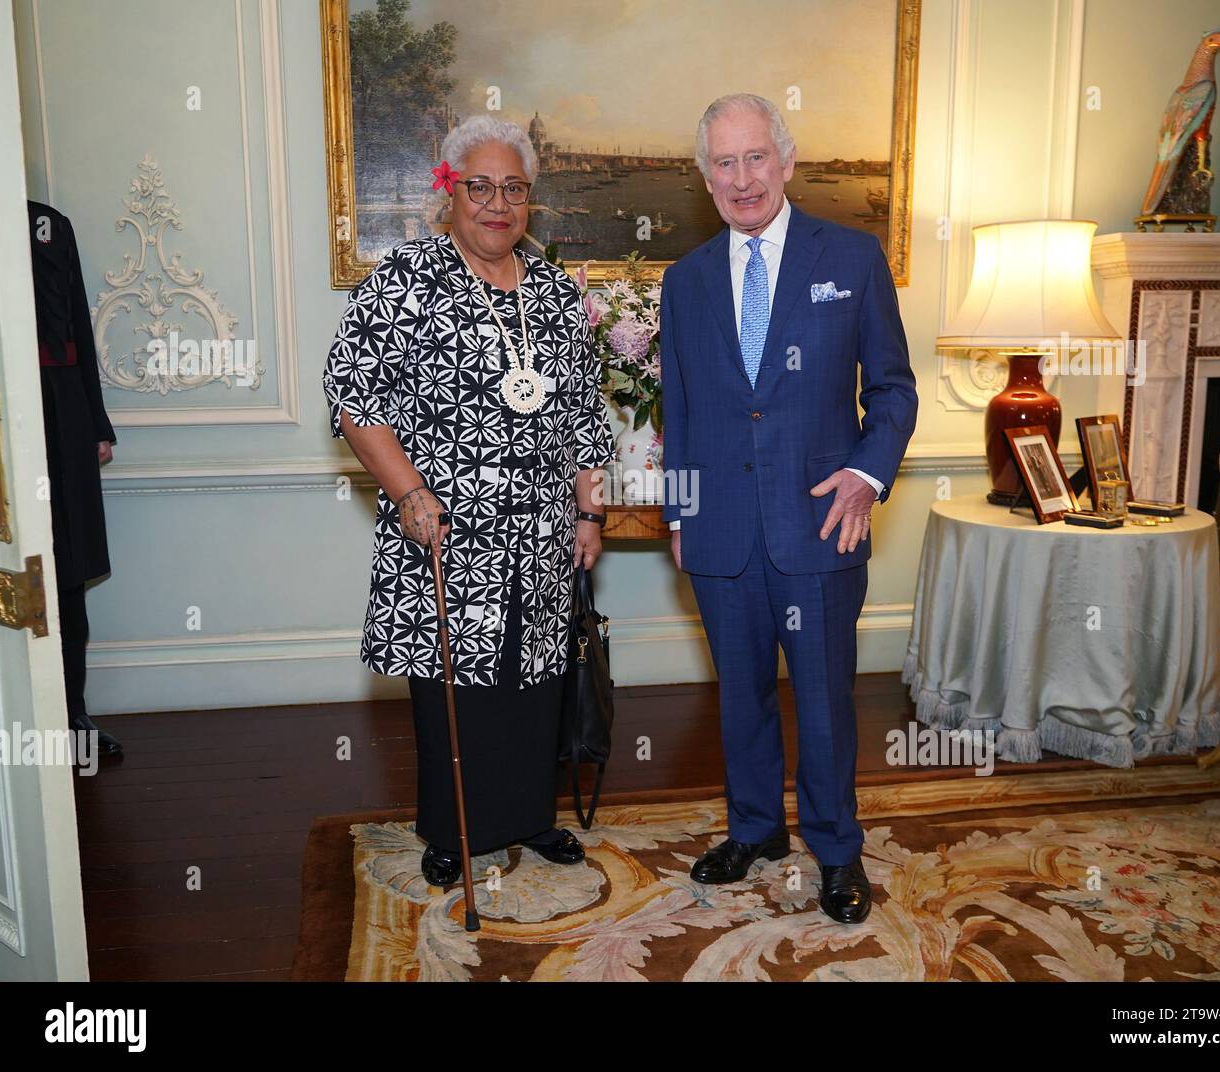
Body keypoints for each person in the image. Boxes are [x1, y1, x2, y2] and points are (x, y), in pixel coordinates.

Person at [323, 115, 617, 887]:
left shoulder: (553, 289)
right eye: (480, 186)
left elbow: (585, 413)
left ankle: (530, 817)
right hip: (447, 534)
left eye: (514, 188)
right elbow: (355, 397)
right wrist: (409, 491)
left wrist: (590, 511)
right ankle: (453, 828)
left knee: (537, 681)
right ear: (449, 191)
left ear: (530, 200)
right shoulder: (406, 279)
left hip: (544, 537)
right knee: (458, 685)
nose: (498, 204)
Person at [660, 94, 918, 924]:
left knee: (825, 697)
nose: (742, 179)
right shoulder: (686, 279)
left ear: (787, 161)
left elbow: (893, 390)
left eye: (755, 158)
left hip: (820, 523)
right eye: (724, 164)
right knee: (740, 694)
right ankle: (756, 830)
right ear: (705, 179)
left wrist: (866, 475)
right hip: (722, 530)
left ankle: (838, 849)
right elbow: (682, 406)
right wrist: (677, 513)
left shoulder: (851, 256)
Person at [28, 201, 121, 758]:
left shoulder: (49, 224)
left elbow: (78, 330)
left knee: (66, 570)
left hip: (62, 409)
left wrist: (95, 421)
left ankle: (71, 717)